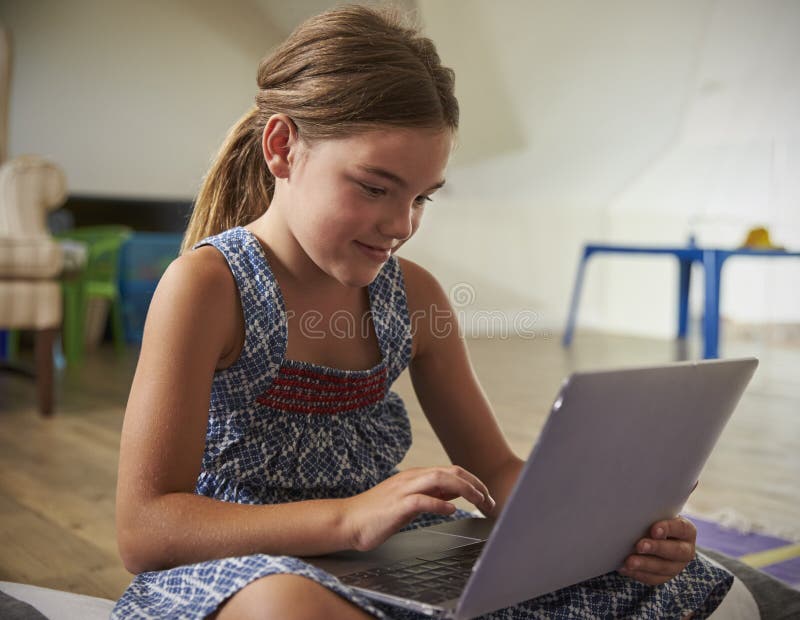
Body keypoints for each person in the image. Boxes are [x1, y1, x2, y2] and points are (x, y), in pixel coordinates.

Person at [113, 5, 735, 619]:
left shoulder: (414, 297)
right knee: (289, 605)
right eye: (374, 187)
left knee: (680, 581)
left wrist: (612, 529)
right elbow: (145, 529)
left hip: (380, 559)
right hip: (246, 564)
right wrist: (347, 519)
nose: (401, 225)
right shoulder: (207, 287)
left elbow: (495, 471)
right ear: (282, 147)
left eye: (421, 198)